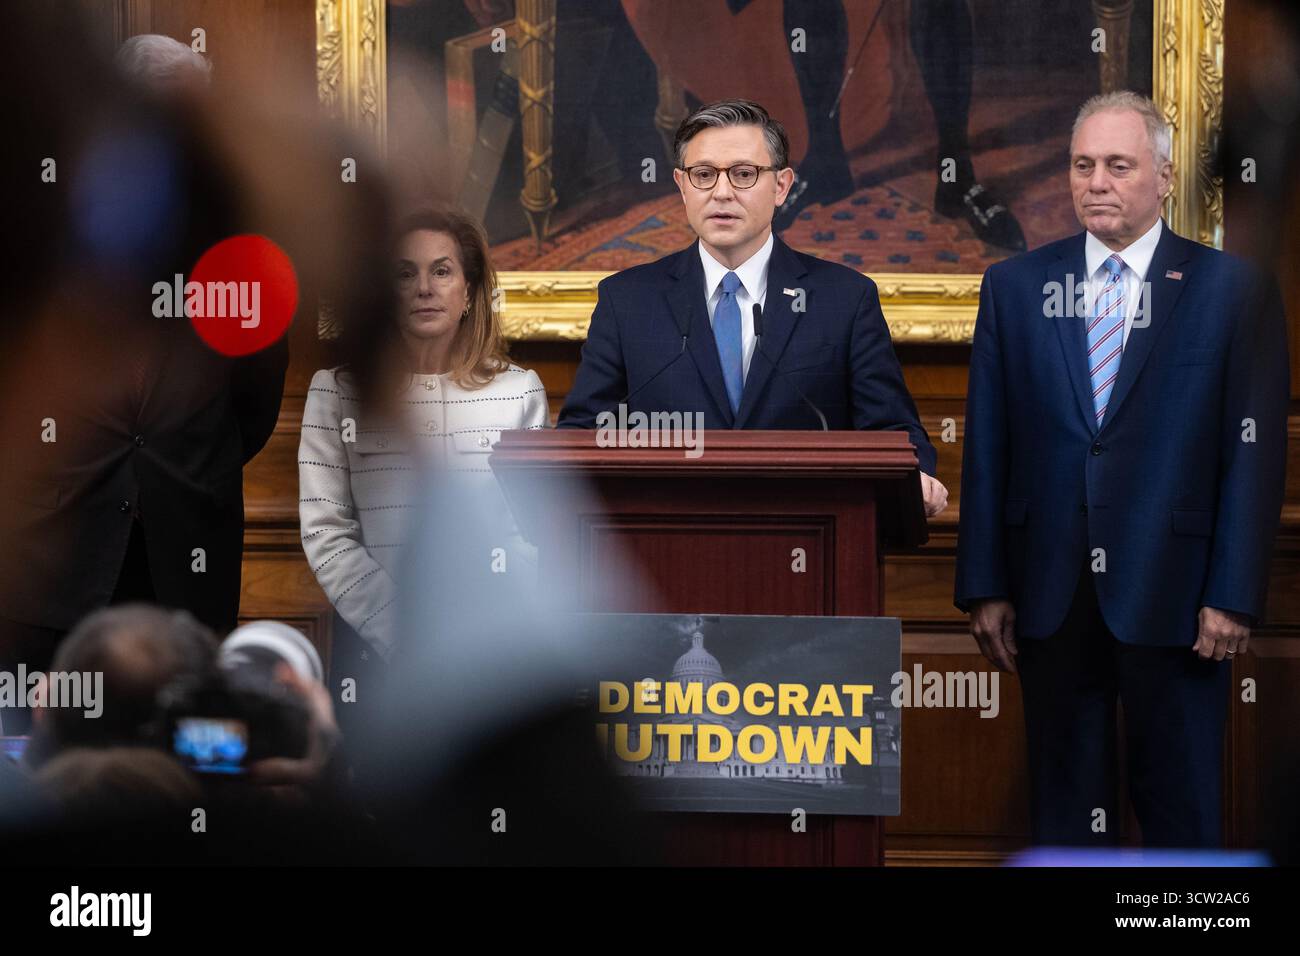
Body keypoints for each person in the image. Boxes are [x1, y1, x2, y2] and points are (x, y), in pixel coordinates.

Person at [955, 91, 1289, 847]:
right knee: (1066, 815)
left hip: (1181, 599)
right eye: (1082, 165)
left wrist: (1233, 594)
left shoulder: (1233, 291)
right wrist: (984, 584)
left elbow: (1253, 455)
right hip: (1050, 594)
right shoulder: (1014, 289)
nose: (1095, 181)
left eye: (1117, 165)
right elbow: (990, 446)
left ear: (1165, 177)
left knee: (1182, 809)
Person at [558, 99, 946, 516]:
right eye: (703, 175)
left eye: (744, 174)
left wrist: (916, 476)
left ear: (782, 186)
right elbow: (584, 433)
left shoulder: (845, 299)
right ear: (681, 185)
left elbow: (894, 432)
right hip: (664, 545)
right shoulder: (628, 301)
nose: (721, 192)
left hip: (808, 539)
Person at [299, 208, 549, 739]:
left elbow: (532, 535)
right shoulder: (335, 391)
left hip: (491, 656)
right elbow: (327, 533)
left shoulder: (519, 391)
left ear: (469, 290)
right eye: (404, 273)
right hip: (373, 657)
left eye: (442, 271)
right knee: (374, 811)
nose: (424, 289)